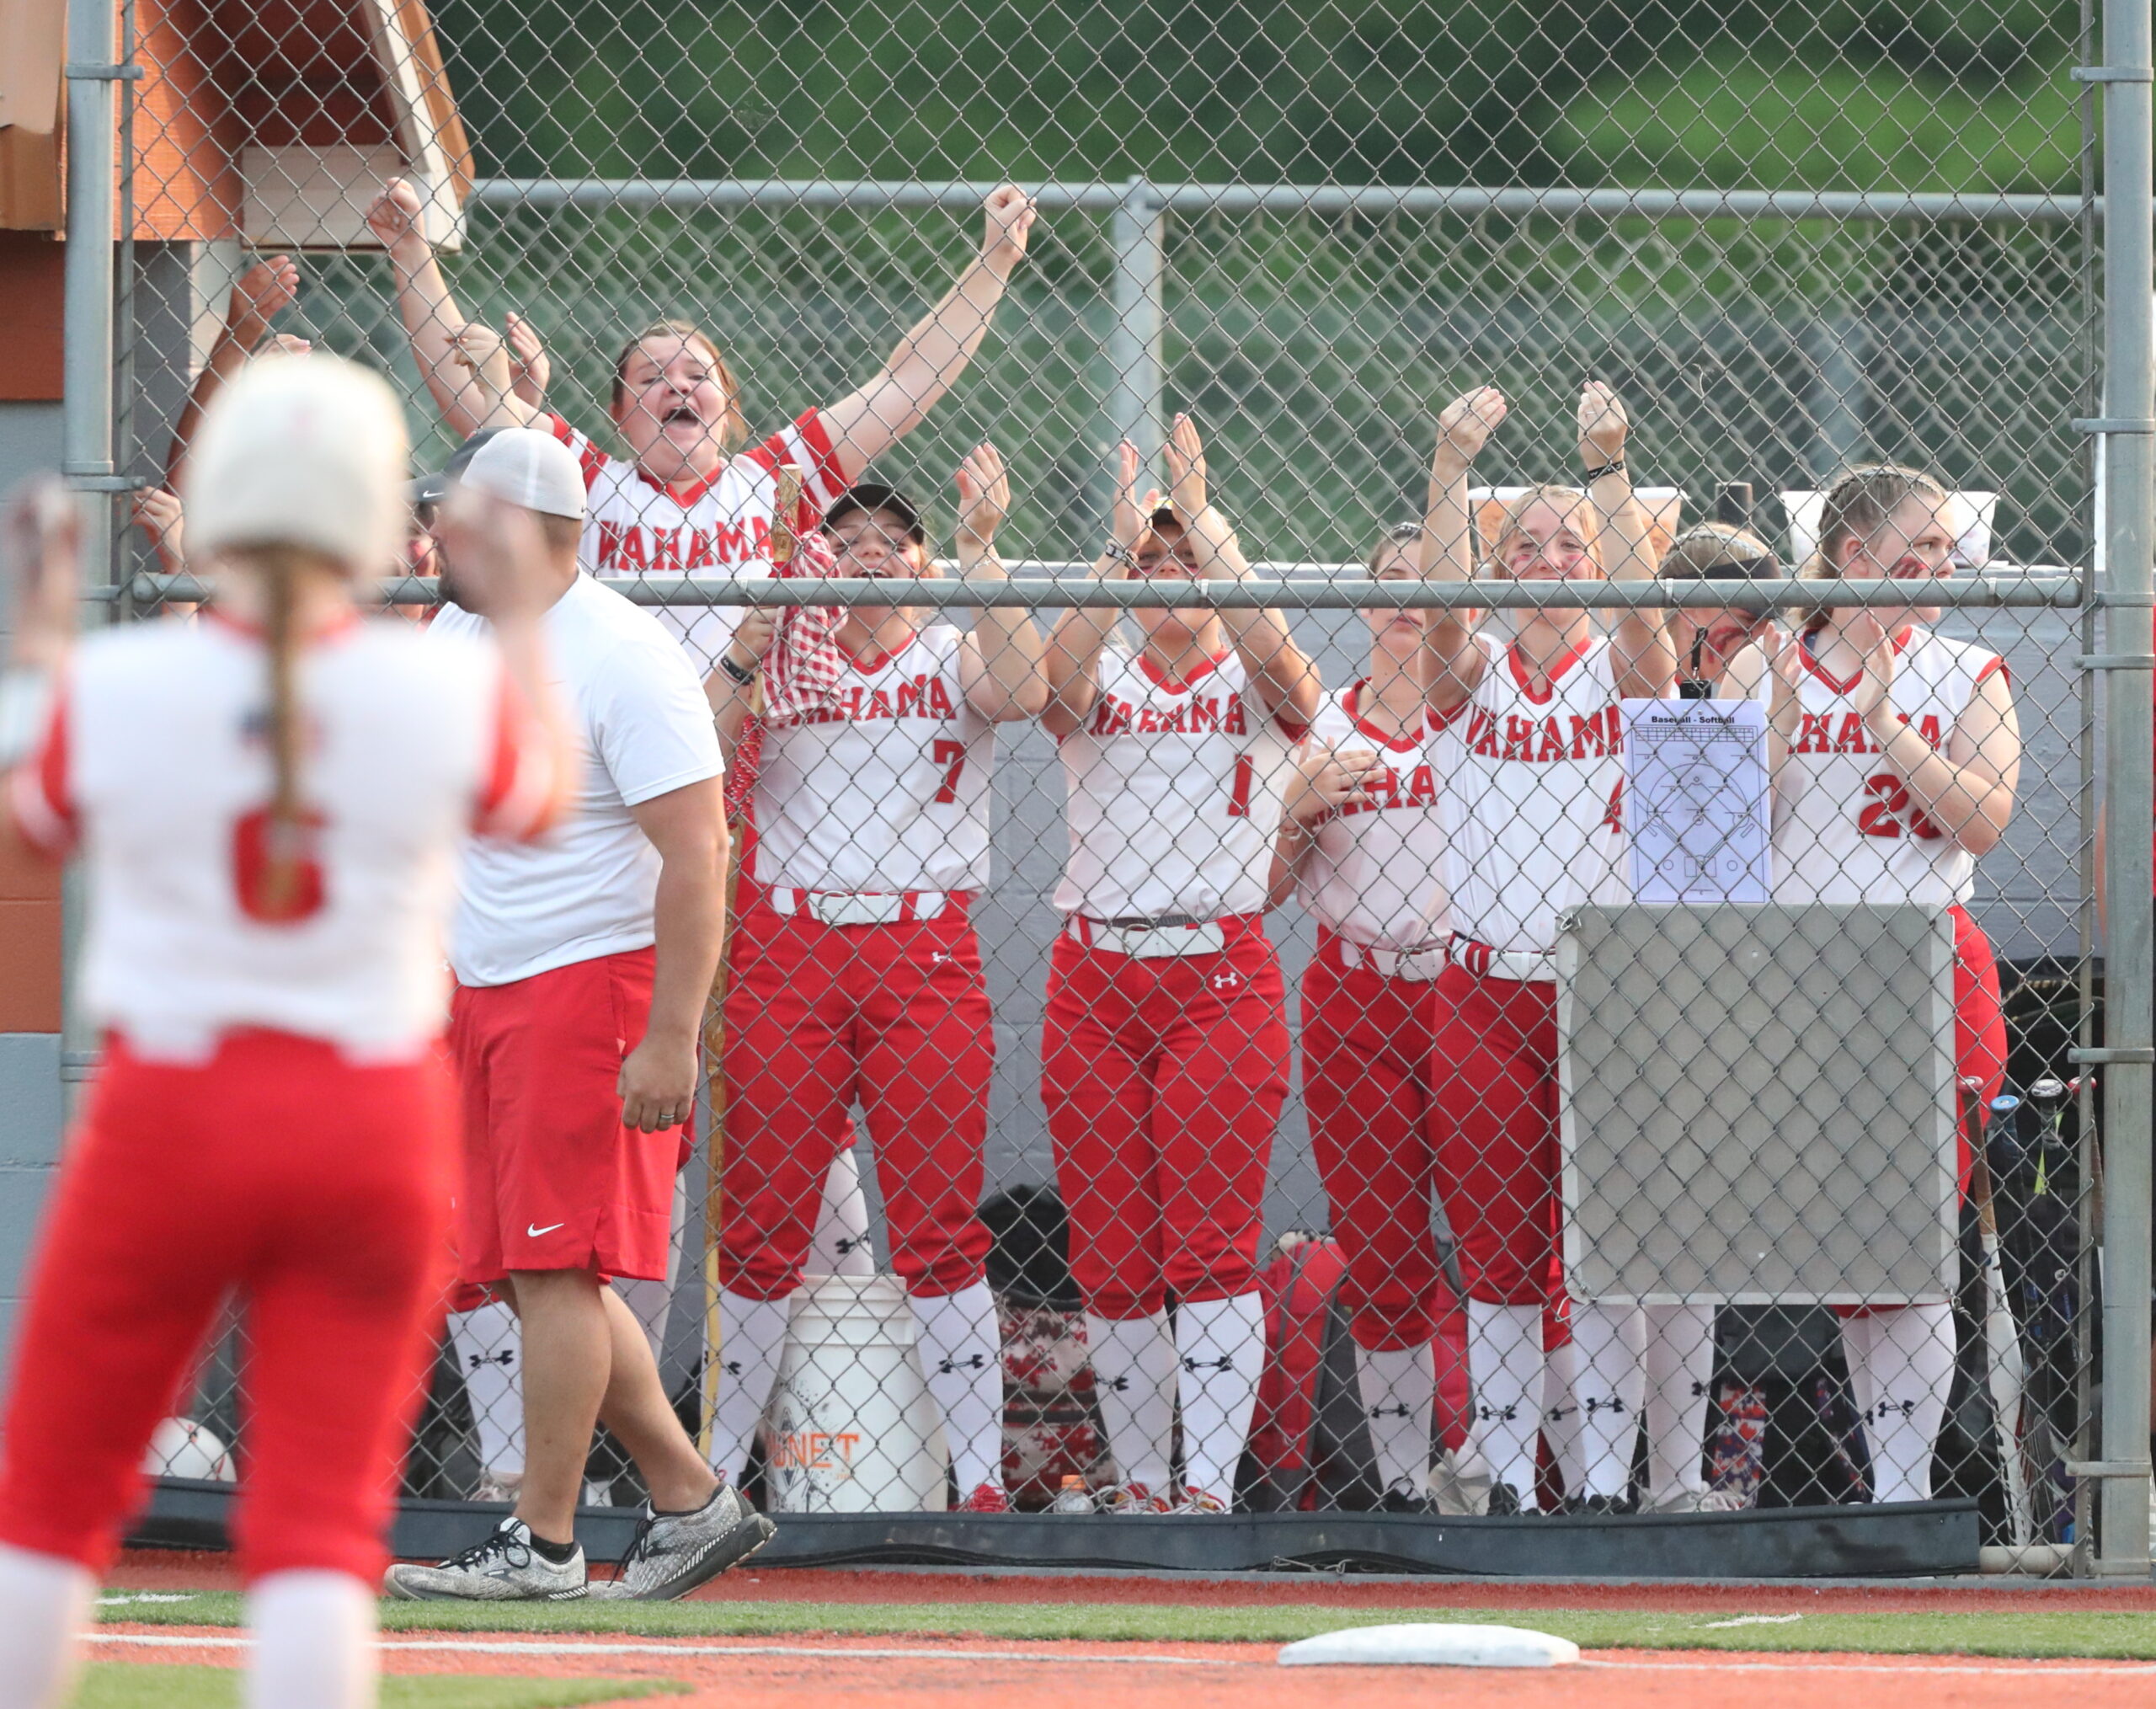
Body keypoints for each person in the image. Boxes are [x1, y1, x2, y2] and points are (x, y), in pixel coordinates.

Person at [0, 354, 568, 1706]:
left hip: (172, 1112)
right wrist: (524, 608)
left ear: (217, 507)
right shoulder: (436, 688)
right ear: (378, 524)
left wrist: (34, 638)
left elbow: (28, 817)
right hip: (371, 1116)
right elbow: (540, 791)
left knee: (55, 1486)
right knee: (317, 1521)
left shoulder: (130, 683)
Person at [386, 427, 771, 1602]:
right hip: (489, 988)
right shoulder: (460, 632)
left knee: (559, 1269)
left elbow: (698, 851)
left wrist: (668, 1030)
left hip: (589, 987)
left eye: (453, 518)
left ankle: (544, 1541)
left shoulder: (621, 655)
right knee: (529, 1271)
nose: (434, 537)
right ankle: (691, 1499)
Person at [700, 451, 1047, 1513]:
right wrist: (746, 652)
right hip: (787, 943)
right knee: (760, 1229)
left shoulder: (949, 652)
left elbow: (1024, 689)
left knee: (937, 1225)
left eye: (895, 540)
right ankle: (710, 1479)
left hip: (921, 949)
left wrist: (981, 553)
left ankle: (980, 1480)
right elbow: (702, 747)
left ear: (923, 557)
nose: (871, 555)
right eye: (847, 542)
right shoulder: (785, 654)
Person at [365, 176, 1038, 677]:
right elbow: (469, 392)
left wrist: (995, 260)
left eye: (697, 373)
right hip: (609, 730)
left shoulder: (778, 478)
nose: (677, 385)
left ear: (729, 407)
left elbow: (906, 380)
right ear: (621, 418)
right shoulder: (585, 479)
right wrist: (410, 249)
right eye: (651, 378)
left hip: (744, 735)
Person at [1039, 415, 1321, 1515]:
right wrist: (1116, 560)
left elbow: (1294, 682)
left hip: (1217, 973)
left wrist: (1205, 520)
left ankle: (1207, 1484)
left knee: (1207, 1247)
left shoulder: (1249, 675)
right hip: (1095, 975)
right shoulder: (1107, 662)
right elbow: (1055, 695)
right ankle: (1142, 1481)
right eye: (1150, 560)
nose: (1169, 576)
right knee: (1111, 1254)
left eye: (1184, 558)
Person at [1727, 463, 2019, 1505]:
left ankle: (1902, 1488)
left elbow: (1982, 820)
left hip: (1928, 958)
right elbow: (1723, 838)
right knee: (1850, 1240)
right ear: (1855, 556)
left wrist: (1891, 729)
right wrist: (1770, 712)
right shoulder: (1768, 661)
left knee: (1918, 1227)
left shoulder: (1965, 668)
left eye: (1948, 546)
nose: (1944, 563)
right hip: (1802, 970)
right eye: (1921, 547)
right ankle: (1887, 1479)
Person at [1417, 381, 1678, 1514]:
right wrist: (1447, 468)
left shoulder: (1617, 667)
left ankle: (1612, 1482)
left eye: (1570, 540)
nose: (1551, 554)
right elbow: (1437, 620)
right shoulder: (1474, 674)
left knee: (1615, 1251)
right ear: (1497, 558)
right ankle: (1515, 1484)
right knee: (1503, 1262)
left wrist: (1608, 469)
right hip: (1482, 991)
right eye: (1525, 540)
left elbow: (1644, 626)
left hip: (1606, 990)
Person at [1268, 509, 1469, 1513]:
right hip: (1353, 991)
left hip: (1467, 990)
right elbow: (1263, 890)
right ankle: (1399, 1490)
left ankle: (1521, 1480)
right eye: (1391, 576)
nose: (1406, 595)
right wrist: (1296, 803)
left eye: (1427, 576)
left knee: (1515, 1250)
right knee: (1384, 1253)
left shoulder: (1479, 707)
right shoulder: (1325, 725)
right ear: (1363, 595)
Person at [1657, 522, 1781, 698]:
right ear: (1692, 610)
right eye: (1748, 620)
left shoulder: (1774, 692)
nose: (1764, 638)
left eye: (1769, 622)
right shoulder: (1642, 685)